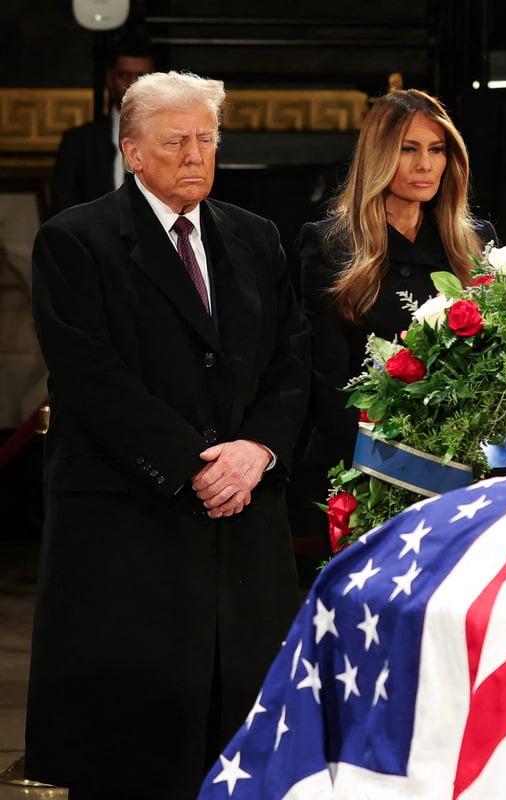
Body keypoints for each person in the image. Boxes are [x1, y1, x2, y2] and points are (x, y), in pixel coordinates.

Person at [25, 70, 311, 799]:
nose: (194, 155)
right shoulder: (75, 241)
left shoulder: (257, 238)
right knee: (136, 755)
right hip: (133, 530)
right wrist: (195, 464)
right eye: (176, 141)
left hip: (244, 525)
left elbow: (291, 361)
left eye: (206, 139)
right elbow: (91, 377)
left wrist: (255, 452)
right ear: (134, 152)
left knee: (244, 743)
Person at [293, 88, 495, 545]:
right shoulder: (330, 243)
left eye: (437, 150)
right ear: (380, 155)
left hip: (455, 467)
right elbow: (327, 378)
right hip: (358, 469)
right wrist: (386, 470)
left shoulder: (475, 241)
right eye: (409, 149)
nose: (426, 165)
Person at [50, 37, 155, 217]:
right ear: (110, 78)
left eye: (142, 77)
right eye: (124, 75)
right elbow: (64, 208)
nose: (133, 85)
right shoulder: (79, 141)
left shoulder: (172, 139)